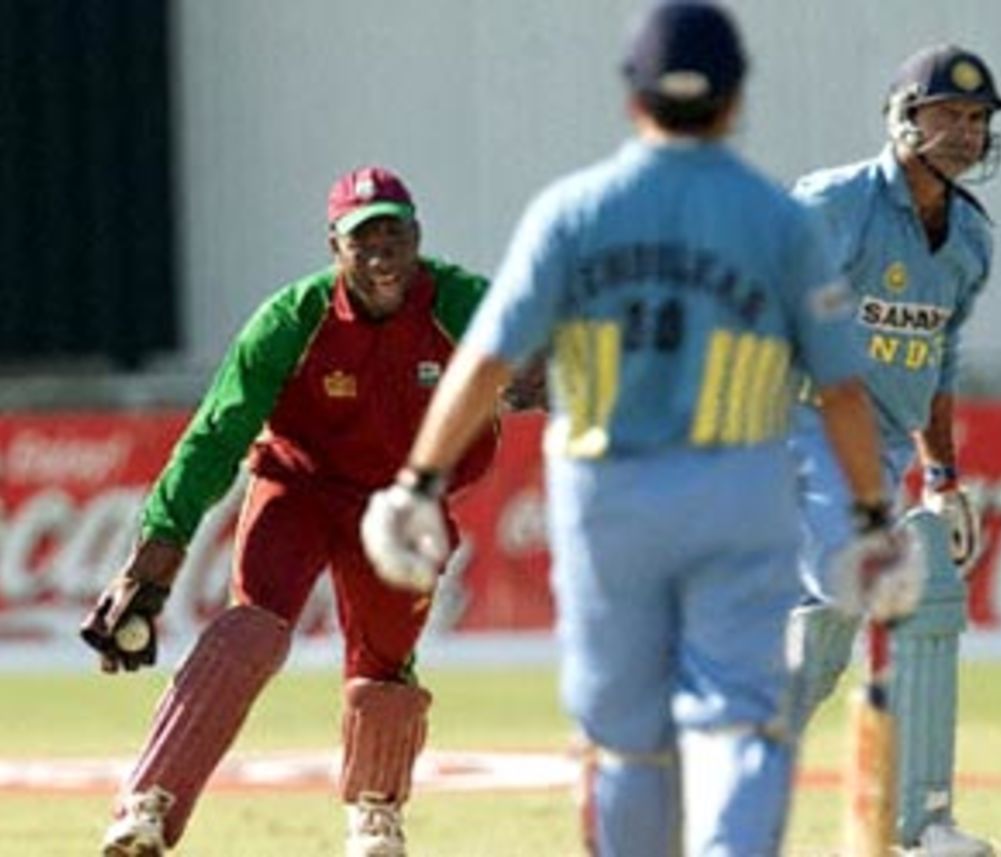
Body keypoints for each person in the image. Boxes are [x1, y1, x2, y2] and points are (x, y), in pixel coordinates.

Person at [358, 4, 922, 855]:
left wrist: (418, 483)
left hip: (606, 495)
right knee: (744, 724)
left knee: (624, 739)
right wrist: (874, 518)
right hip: (740, 489)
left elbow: (483, 363)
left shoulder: (573, 211)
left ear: (633, 98)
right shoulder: (780, 220)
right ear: (735, 100)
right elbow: (843, 389)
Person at [80, 165, 500, 857]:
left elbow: (548, 345)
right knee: (249, 633)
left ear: (417, 236)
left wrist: (545, 369)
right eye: (362, 239)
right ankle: (147, 804)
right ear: (334, 247)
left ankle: (374, 813)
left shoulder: (461, 302)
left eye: (394, 234)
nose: (381, 254)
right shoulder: (292, 319)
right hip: (298, 489)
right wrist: (152, 560)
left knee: (383, 664)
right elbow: (216, 435)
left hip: (399, 504)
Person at [786, 44, 1001, 856]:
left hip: (877, 448)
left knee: (822, 629)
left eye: (977, 119)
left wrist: (943, 473)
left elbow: (935, 361)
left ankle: (724, 771)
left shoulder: (971, 242)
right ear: (902, 119)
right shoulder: (837, 204)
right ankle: (924, 824)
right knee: (910, 575)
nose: (964, 132)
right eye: (946, 114)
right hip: (795, 427)